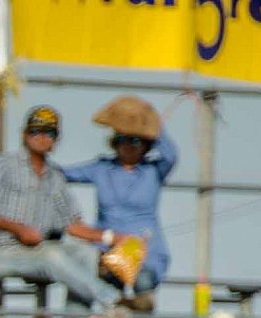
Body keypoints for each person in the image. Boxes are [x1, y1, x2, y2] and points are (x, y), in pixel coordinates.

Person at [0, 104, 122, 311]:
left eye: (49, 132)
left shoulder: (55, 175)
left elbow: (74, 226)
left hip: (38, 250)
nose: (41, 137)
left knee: (87, 254)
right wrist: (17, 229)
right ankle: (114, 301)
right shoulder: (4, 163)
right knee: (51, 256)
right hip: (2, 251)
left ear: (56, 140)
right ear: (24, 135)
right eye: (35, 131)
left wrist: (112, 238)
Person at [62, 96, 176, 302]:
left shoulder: (153, 171)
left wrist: (149, 120)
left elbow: (171, 154)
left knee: (142, 290)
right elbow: (63, 174)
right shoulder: (102, 168)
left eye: (135, 140)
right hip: (108, 252)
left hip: (144, 253)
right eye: (123, 139)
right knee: (107, 302)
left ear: (145, 144)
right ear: (115, 142)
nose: (129, 146)